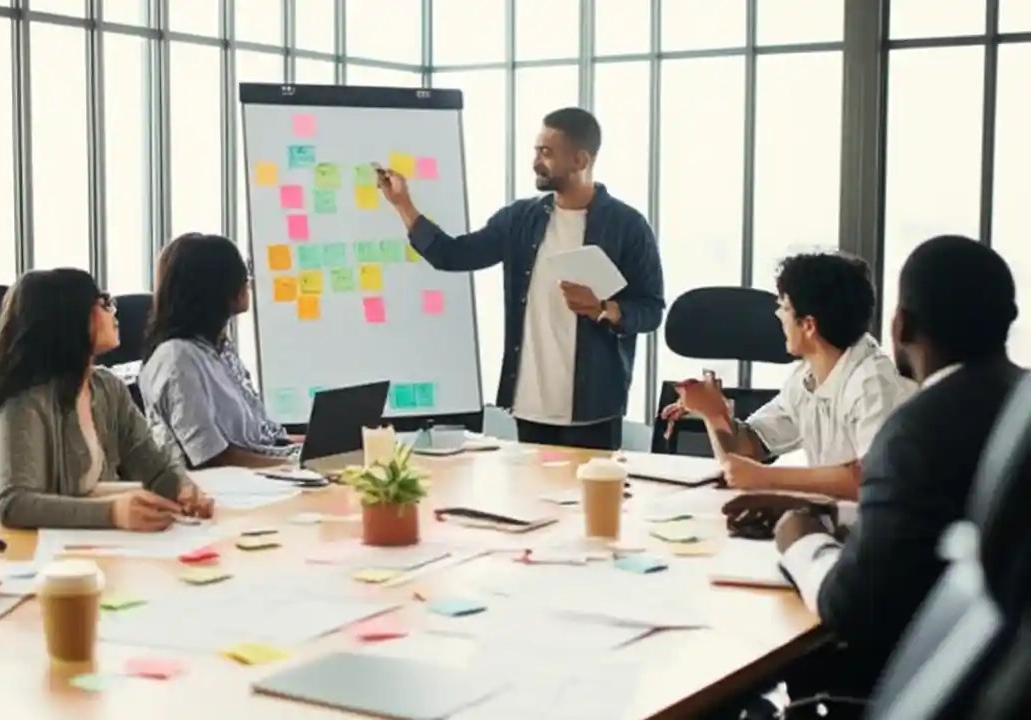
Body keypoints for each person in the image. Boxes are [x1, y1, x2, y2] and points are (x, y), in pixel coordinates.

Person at [775, 235, 1023, 696]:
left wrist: (801, 539)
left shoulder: (915, 431)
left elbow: (850, 605)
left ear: (901, 327)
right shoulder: (1021, 406)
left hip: (910, 681)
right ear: (1008, 321)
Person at [377, 107, 664, 450]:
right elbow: (452, 255)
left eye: (546, 152)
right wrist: (403, 204)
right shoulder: (520, 219)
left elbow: (651, 309)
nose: (535, 162)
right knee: (533, 502)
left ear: (580, 159)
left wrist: (605, 308)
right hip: (529, 406)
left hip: (593, 410)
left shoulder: (627, 226)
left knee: (587, 504)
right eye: (536, 150)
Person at [664, 252, 915, 500]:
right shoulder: (806, 377)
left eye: (784, 307)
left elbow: (874, 478)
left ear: (808, 325)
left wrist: (765, 477)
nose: (778, 315)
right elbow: (745, 453)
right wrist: (714, 413)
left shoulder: (873, 383)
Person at [0, 268, 212, 530]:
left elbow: (152, 466)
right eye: (104, 303)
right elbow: (13, 503)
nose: (114, 311)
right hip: (41, 556)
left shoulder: (108, 387)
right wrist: (112, 513)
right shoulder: (22, 401)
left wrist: (182, 488)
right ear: (69, 317)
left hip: (96, 547)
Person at [140, 233, 299, 469]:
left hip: (265, 472)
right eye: (240, 275)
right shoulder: (177, 359)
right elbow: (213, 457)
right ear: (213, 287)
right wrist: (291, 466)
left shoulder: (219, 348)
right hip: (227, 489)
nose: (248, 283)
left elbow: (261, 436)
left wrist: (313, 450)